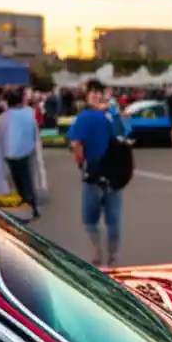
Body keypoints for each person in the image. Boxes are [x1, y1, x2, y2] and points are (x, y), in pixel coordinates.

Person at [68, 80, 123, 267]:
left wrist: (80, 163)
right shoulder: (112, 115)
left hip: (92, 173)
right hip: (114, 174)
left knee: (90, 220)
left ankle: (98, 253)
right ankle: (113, 256)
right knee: (113, 220)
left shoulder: (84, 117)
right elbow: (125, 135)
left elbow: (76, 144)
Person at [0, 89, 40, 218]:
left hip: (9, 154)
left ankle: (25, 205)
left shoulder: (2, 117)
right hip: (26, 151)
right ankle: (31, 204)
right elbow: (34, 131)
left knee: (17, 180)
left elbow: (0, 135)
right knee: (27, 178)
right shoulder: (28, 114)